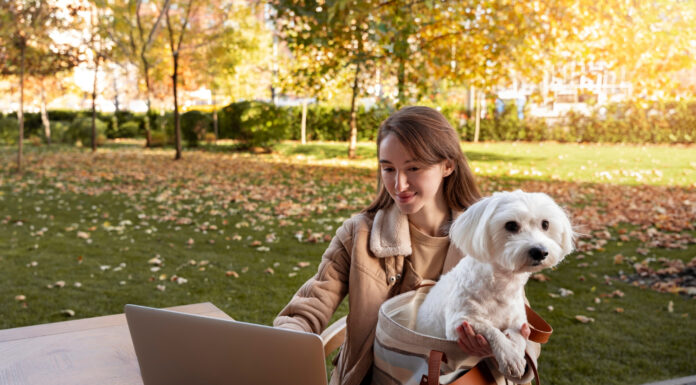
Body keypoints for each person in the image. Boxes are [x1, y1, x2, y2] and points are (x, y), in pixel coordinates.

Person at [274, 106, 538, 385]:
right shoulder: (359, 234)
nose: (399, 184)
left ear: (447, 165)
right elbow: (312, 303)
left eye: (413, 168)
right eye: (388, 168)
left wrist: (503, 350)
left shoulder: (487, 236)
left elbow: (519, 319)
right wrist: (287, 339)